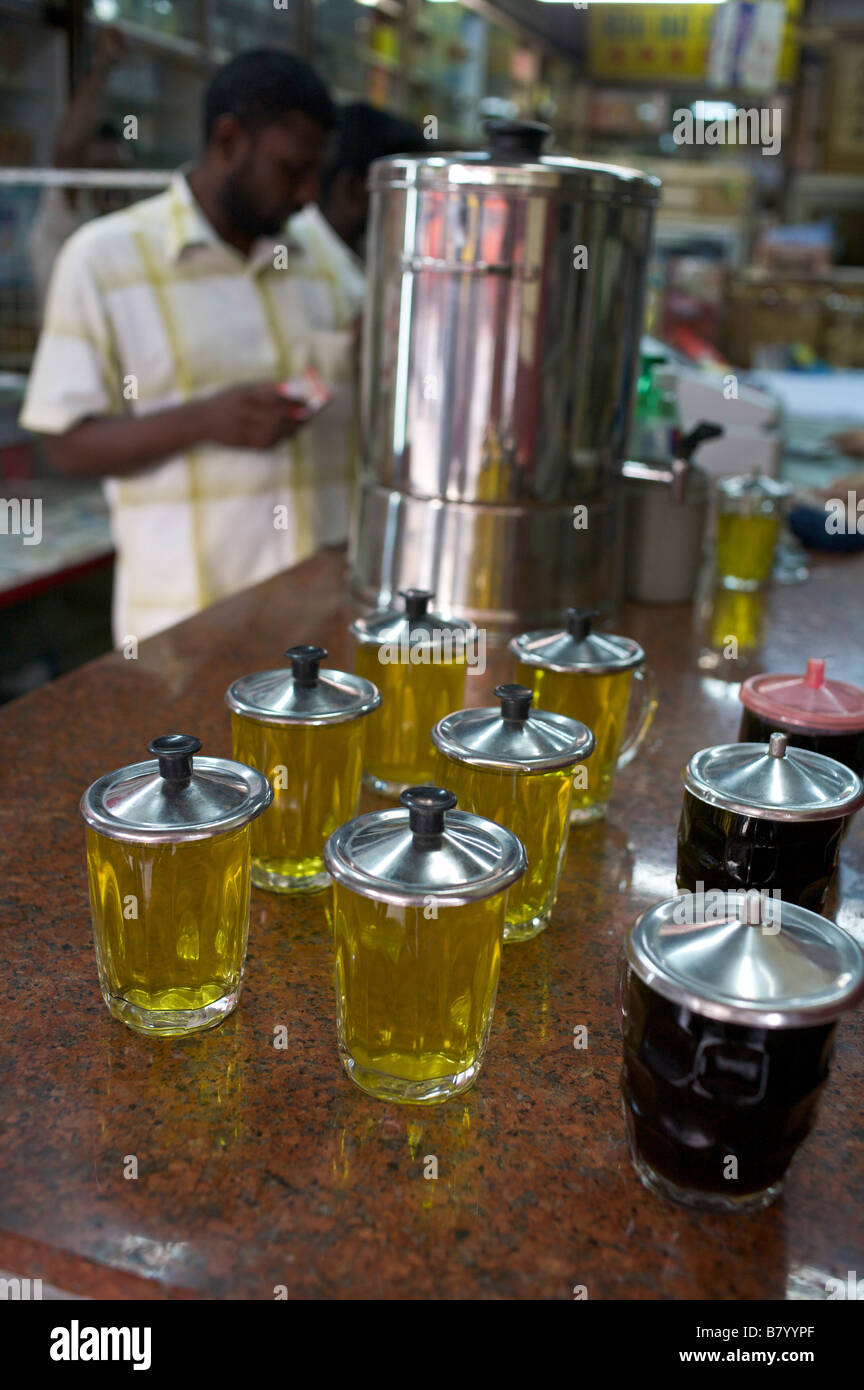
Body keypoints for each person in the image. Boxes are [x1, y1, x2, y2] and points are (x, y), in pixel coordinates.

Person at [21, 49, 364, 645]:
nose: (309, 194)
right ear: (229, 140)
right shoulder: (105, 259)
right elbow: (65, 445)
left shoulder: (319, 252)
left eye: (317, 172)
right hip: (185, 632)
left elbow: (369, 368)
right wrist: (204, 420)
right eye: (291, 170)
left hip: (322, 618)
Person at [29, 26, 134, 307]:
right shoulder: (67, 219)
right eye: (102, 169)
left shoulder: (130, 231)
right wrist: (102, 65)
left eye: (119, 172)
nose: (113, 182)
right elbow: (69, 147)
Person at [319, 102, 430, 260]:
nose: (420, 217)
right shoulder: (297, 274)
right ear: (355, 189)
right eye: (406, 200)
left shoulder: (356, 262)